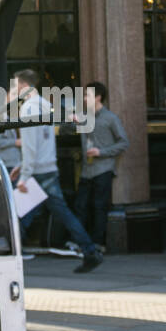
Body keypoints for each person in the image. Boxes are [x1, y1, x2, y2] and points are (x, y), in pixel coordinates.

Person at [8, 69, 102, 273]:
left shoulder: (27, 110)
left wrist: (24, 174)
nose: (12, 91)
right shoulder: (46, 105)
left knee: (18, 214)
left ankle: (9, 259)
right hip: (48, 168)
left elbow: (30, 145)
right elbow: (43, 143)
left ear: (24, 87)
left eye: (15, 87)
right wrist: (22, 167)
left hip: (36, 173)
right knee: (34, 214)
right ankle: (90, 251)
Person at [73, 81, 127, 251]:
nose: (84, 98)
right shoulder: (83, 116)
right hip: (86, 169)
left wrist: (101, 152)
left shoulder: (111, 118)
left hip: (103, 168)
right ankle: (80, 241)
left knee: (99, 206)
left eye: (87, 95)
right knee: (80, 205)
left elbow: (124, 142)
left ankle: (98, 243)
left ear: (98, 97)